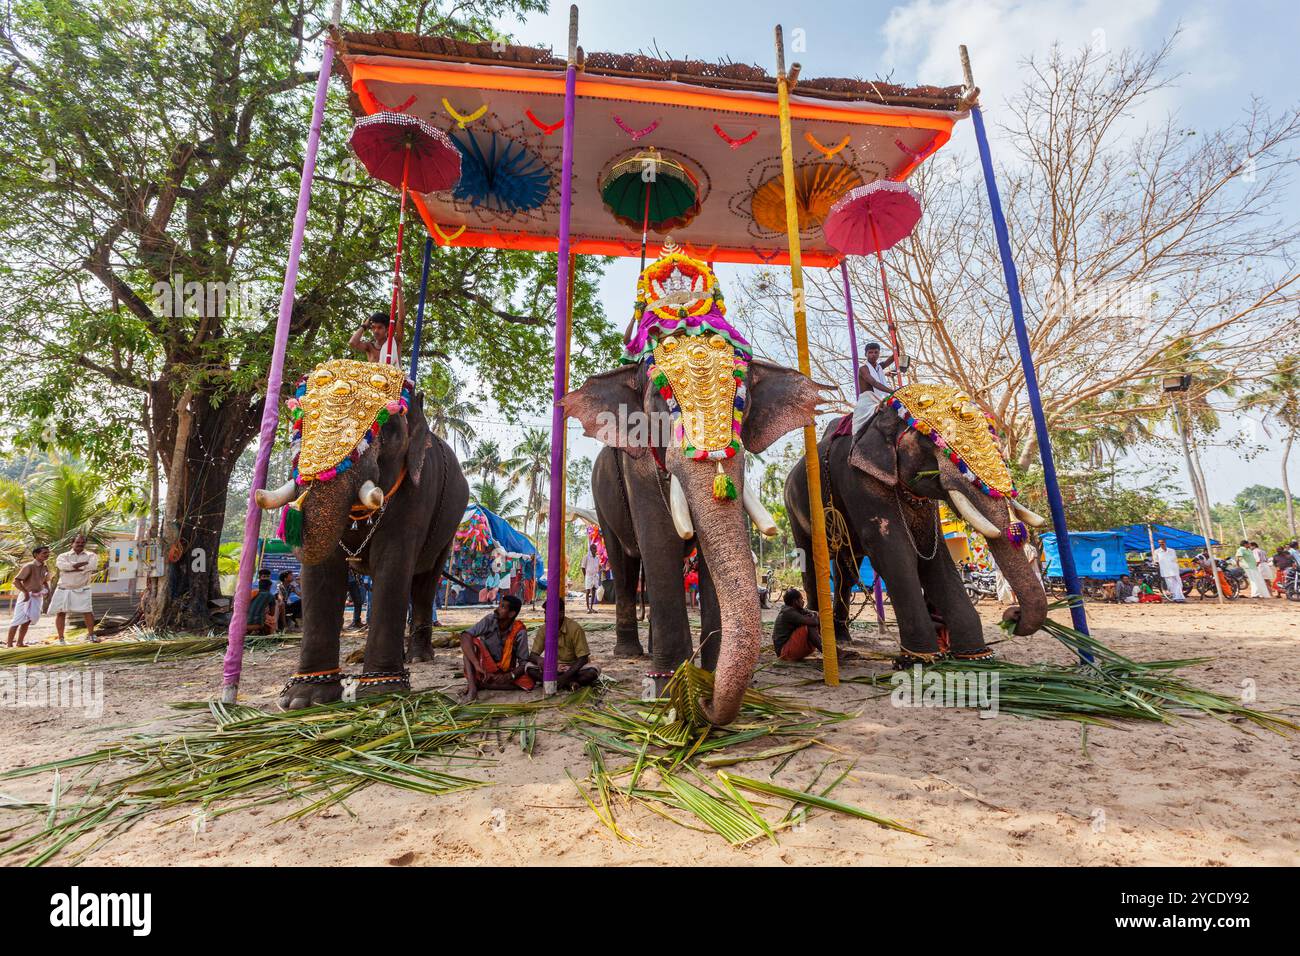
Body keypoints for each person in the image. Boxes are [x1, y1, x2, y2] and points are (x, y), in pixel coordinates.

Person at [458, 594, 534, 701]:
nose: (497, 609)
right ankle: (473, 690)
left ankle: (481, 684)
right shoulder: (489, 620)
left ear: (512, 614)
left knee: (529, 682)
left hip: (505, 672)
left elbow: (523, 663)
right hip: (484, 669)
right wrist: (476, 665)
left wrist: (509, 676)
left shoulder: (519, 631)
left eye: (502, 607)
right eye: (499, 605)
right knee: (471, 645)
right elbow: (465, 636)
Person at [525, 599, 599, 690]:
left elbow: (583, 659)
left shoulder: (575, 628)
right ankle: (570, 683)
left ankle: (558, 681)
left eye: (549, 614)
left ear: (561, 613)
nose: (545, 618)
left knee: (592, 672)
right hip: (553, 667)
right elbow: (532, 655)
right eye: (545, 613)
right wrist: (539, 660)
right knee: (529, 668)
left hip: (573, 668)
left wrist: (565, 676)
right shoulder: (544, 629)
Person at [49, 534, 98, 644]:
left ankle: (91, 636)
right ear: (72, 543)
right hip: (64, 587)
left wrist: (72, 567)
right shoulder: (63, 556)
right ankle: (61, 638)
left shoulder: (91, 555)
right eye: (77, 542)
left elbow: (92, 566)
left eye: (82, 543)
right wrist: (80, 566)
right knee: (61, 613)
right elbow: (63, 567)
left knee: (88, 612)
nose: (80, 544)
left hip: (83, 588)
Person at [6, 545, 51, 647]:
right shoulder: (29, 566)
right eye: (44, 553)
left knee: (27, 620)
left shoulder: (45, 567)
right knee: (17, 620)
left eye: (48, 553)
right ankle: (9, 644)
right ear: (36, 554)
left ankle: (20, 642)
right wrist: (26, 593)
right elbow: (16, 581)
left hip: (37, 597)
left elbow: (44, 582)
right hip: (26, 596)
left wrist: (48, 591)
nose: (47, 555)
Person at [851, 342, 897, 436]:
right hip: (867, 403)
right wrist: (893, 392)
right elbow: (874, 383)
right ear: (866, 354)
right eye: (870, 352)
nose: (873, 355)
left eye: (876, 352)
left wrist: (894, 334)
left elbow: (895, 355)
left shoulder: (879, 367)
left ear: (879, 353)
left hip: (882, 398)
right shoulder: (863, 369)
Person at [771, 588, 822, 662]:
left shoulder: (797, 609)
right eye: (801, 599)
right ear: (796, 602)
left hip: (790, 649)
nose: (803, 601)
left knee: (812, 620)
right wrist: (813, 616)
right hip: (784, 652)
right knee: (809, 625)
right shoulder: (788, 612)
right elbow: (814, 621)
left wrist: (814, 615)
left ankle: (828, 648)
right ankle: (826, 650)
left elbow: (816, 614)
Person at [246, 568, 280, 634]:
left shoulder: (253, 592)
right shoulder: (254, 586)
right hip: (259, 620)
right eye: (264, 576)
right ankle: (273, 630)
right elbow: (272, 613)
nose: (266, 578)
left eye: (268, 576)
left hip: (245, 619)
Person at [1152, 538, 1186, 603]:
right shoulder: (1157, 552)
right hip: (1165, 571)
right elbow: (1156, 561)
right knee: (1171, 585)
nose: (1161, 544)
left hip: (1174, 570)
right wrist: (1156, 564)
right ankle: (1177, 598)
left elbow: (1174, 559)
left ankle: (1179, 597)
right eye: (1160, 543)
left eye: (1162, 543)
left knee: (1179, 584)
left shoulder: (1172, 550)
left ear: (1165, 542)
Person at [581, 543, 602, 612]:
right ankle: (587, 608)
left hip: (595, 576)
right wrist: (585, 575)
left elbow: (598, 567)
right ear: (591, 549)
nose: (595, 550)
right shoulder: (586, 557)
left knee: (594, 590)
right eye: (594, 548)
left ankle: (591, 607)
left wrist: (600, 569)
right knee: (587, 591)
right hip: (588, 576)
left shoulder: (597, 558)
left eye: (596, 548)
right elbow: (583, 567)